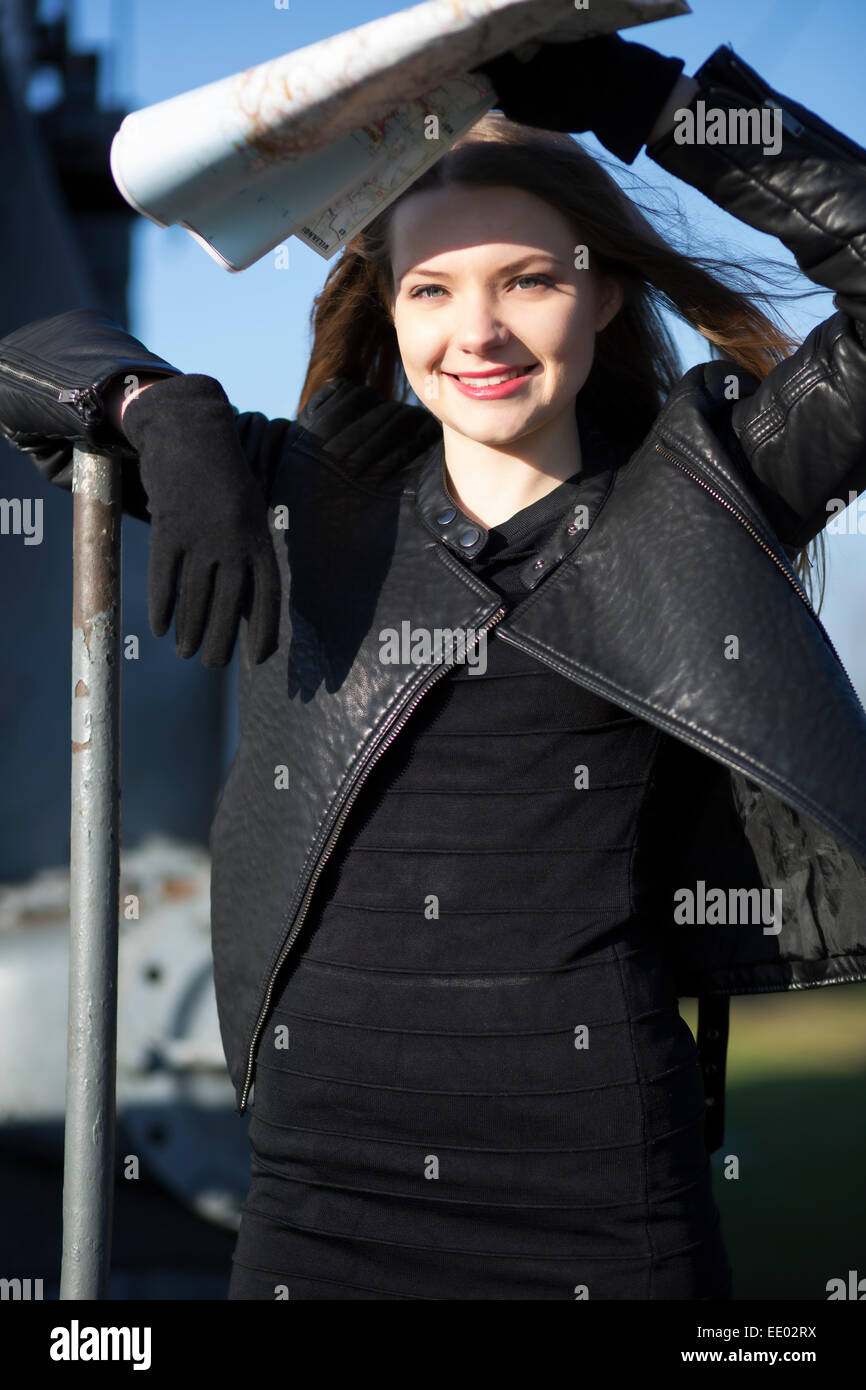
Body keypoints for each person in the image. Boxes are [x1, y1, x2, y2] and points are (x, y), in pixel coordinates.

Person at [1, 33, 866, 1301]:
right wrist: (149, 407)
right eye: (430, 290)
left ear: (604, 292)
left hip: (607, 1203)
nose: (479, 331)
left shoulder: (715, 489)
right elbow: (24, 359)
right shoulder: (297, 492)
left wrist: (653, 104)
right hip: (313, 1205)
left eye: (528, 279)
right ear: (387, 309)